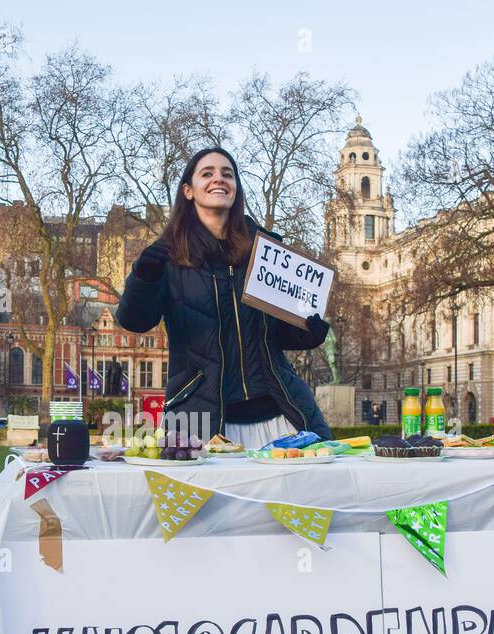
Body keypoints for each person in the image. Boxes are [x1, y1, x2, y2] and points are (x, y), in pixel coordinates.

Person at [115, 147, 332, 447]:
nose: (219, 179)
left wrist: (308, 332)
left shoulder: (267, 251)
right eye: (208, 173)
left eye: (227, 174)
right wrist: (144, 278)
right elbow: (134, 321)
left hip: (281, 416)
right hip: (199, 421)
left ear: (236, 189)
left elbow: (277, 334)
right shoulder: (166, 256)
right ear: (189, 190)